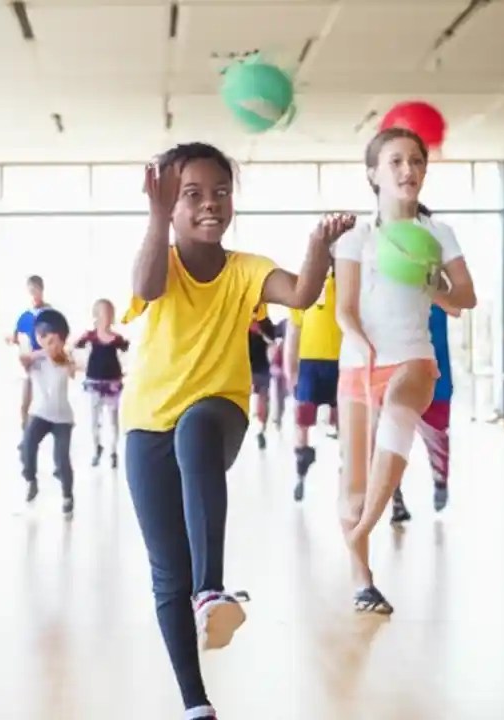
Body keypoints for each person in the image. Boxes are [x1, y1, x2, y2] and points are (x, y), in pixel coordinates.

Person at [124, 141, 354, 720]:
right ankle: (196, 704)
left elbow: (301, 293)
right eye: (191, 195)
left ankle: (212, 589)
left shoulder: (247, 268)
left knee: (197, 431)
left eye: (220, 193)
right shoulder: (160, 258)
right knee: (165, 571)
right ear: (169, 205)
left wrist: (319, 246)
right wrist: (154, 220)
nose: (209, 205)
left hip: (217, 409)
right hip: (146, 424)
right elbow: (149, 287)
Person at [333, 127, 477, 614]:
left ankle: (365, 526)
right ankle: (363, 580)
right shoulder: (356, 237)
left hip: (414, 355)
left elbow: (466, 299)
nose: (407, 170)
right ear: (374, 174)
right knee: (352, 483)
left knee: (398, 410)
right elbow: (345, 309)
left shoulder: (439, 234)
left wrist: (432, 284)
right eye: (395, 161)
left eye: (415, 161)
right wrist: (358, 343)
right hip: (359, 364)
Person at [391, 302, 460, 521]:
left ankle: (440, 480)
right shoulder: (393, 295)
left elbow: (457, 307)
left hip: (437, 379)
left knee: (437, 437)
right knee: (395, 442)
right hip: (401, 379)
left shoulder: (436, 292)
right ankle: (396, 498)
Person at [285, 271, 342, 501]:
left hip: (342, 361)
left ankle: (348, 472)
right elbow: (294, 332)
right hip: (309, 365)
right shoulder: (303, 288)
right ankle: (301, 468)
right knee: (303, 420)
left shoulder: (347, 283)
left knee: (345, 422)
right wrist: (292, 371)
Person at [21, 309, 76, 515]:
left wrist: (58, 352)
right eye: (47, 339)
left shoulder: (66, 360)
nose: (53, 345)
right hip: (40, 414)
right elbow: (23, 359)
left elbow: (73, 368)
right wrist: (45, 350)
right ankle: (31, 480)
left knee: (61, 458)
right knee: (28, 444)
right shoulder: (36, 361)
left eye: (57, 340)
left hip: (63, 418)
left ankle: (67, 496)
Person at [74, 299, 129, 468]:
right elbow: (75, 347)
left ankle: (113, 451)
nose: (106, 317)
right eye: (103, 314)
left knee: (113, 419)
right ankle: (97, 447)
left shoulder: (117, 339)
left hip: (112, 381)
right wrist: (78, 365)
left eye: (109, 314)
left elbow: (127, 352)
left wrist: (124, 370)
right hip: (95, 381)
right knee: (94, 419)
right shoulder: (90, 336)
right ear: (96, 316)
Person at [9, 275, 49, 437]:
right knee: (25, 402)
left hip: (46, 363)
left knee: (44, 402)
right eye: (30, 291)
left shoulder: (49, 313)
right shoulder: (25, 316)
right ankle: (26, 435)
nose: (33, 294)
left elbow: (57, 340)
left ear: (41, 290)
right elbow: (16, 338)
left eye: (36, 290)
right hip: (29, 365)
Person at [247, 309, 277, 448]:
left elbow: (272, 338)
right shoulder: (236, 317)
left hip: (261, 366)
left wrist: (259, 331)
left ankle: (261, 429)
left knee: (263, 399)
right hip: (245, 367)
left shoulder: (263, 320)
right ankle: (255, 426)